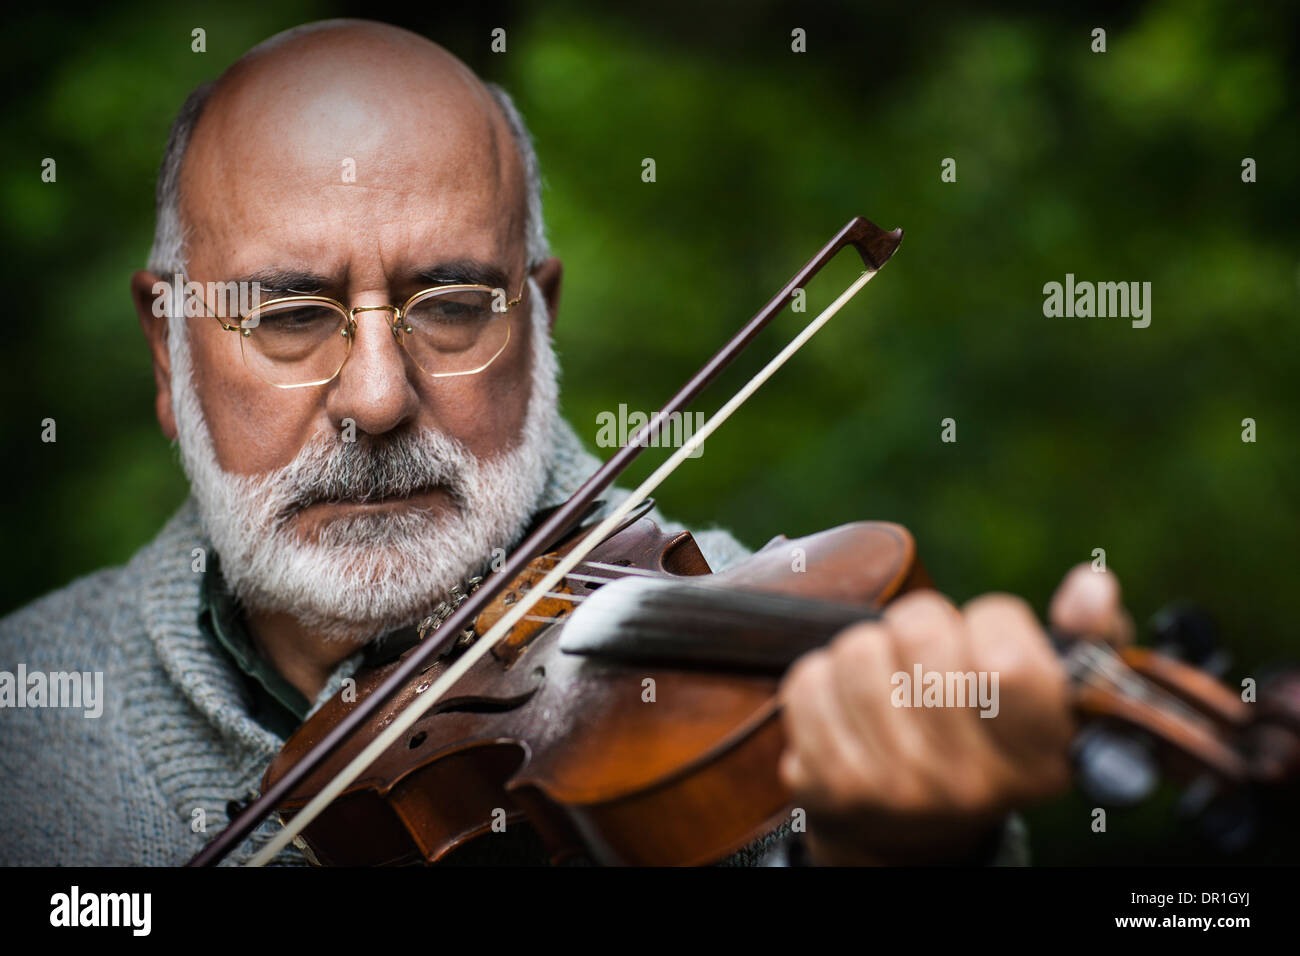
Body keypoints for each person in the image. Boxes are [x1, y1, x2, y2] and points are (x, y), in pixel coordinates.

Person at [0, 19, 1133, 866]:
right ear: (168, 349)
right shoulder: (26, 725)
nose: (380, 397)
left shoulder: (754, 684)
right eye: (291, 316)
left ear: (539, 319)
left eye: (450, 304)